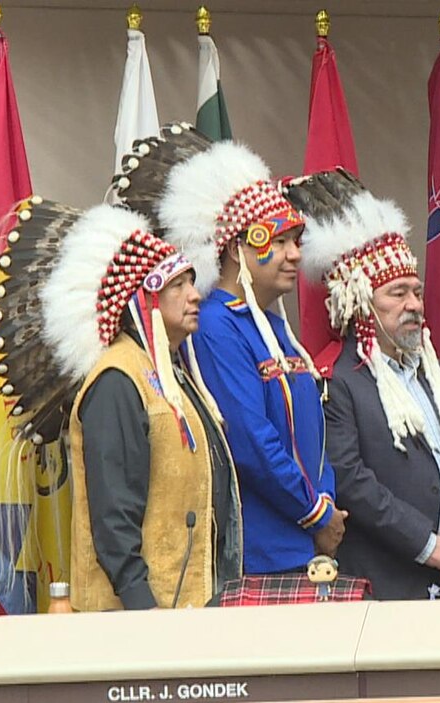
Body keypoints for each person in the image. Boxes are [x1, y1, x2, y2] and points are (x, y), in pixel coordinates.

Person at [113, 123, 345, 575]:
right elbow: (250, 440)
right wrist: (316, 513)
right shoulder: (217, 325)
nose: (295, 255)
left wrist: (327, 506)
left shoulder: (276, 328)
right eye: (278, 242)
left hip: (308, 544)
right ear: (239, 249)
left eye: (295, 242)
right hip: (263, 553)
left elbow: (314, 436)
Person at [0, 198, 242, 610]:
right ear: (142, 301)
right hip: (139, 618)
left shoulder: (169, 376)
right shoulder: (117, 381)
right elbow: (113, 515)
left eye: (191, 283)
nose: (195, 296)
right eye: (177, 285)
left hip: (187, 606)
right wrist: (142, 606)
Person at [284, 170, 440, 600]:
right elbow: (353, 482)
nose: (415, 305)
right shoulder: (335, 382)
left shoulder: (439, 375)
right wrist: (429, 545)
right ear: (361, 303)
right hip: (388, 587)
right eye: (398, 294)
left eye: (416, 292)